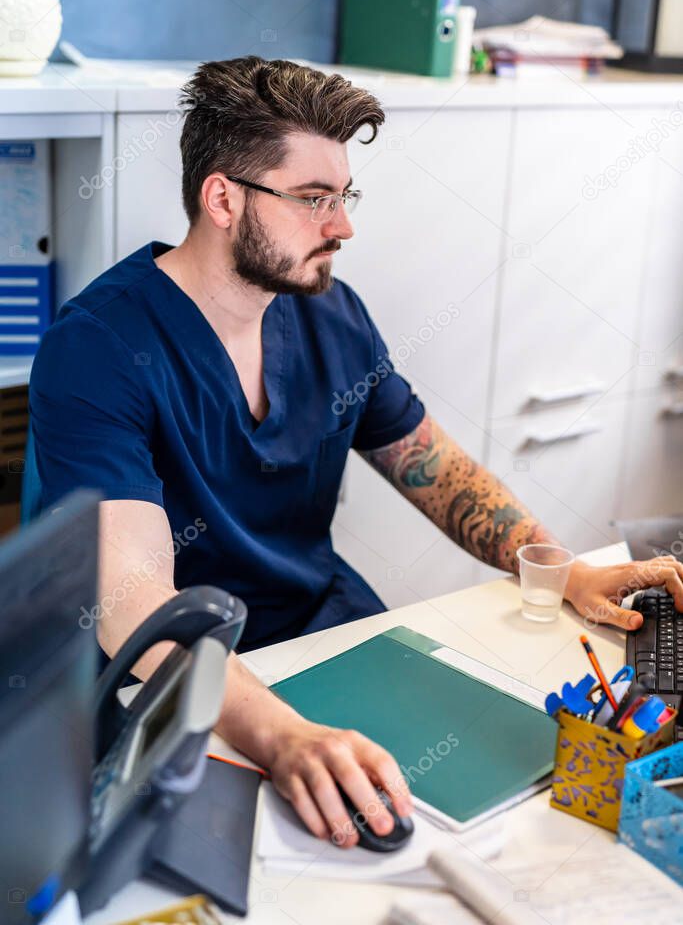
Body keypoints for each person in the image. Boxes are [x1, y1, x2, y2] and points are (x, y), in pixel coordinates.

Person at [29, 56, 683, 841]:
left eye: (343, 197)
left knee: (506, 817)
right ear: (223, 199)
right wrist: (280, 737)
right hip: (173, 678)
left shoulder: (330, 315)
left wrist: (561, 568)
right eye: (312, 200)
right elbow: (134, 604)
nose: (341, 226)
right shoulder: (98, 348)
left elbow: (433, 468)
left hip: (328, 634)